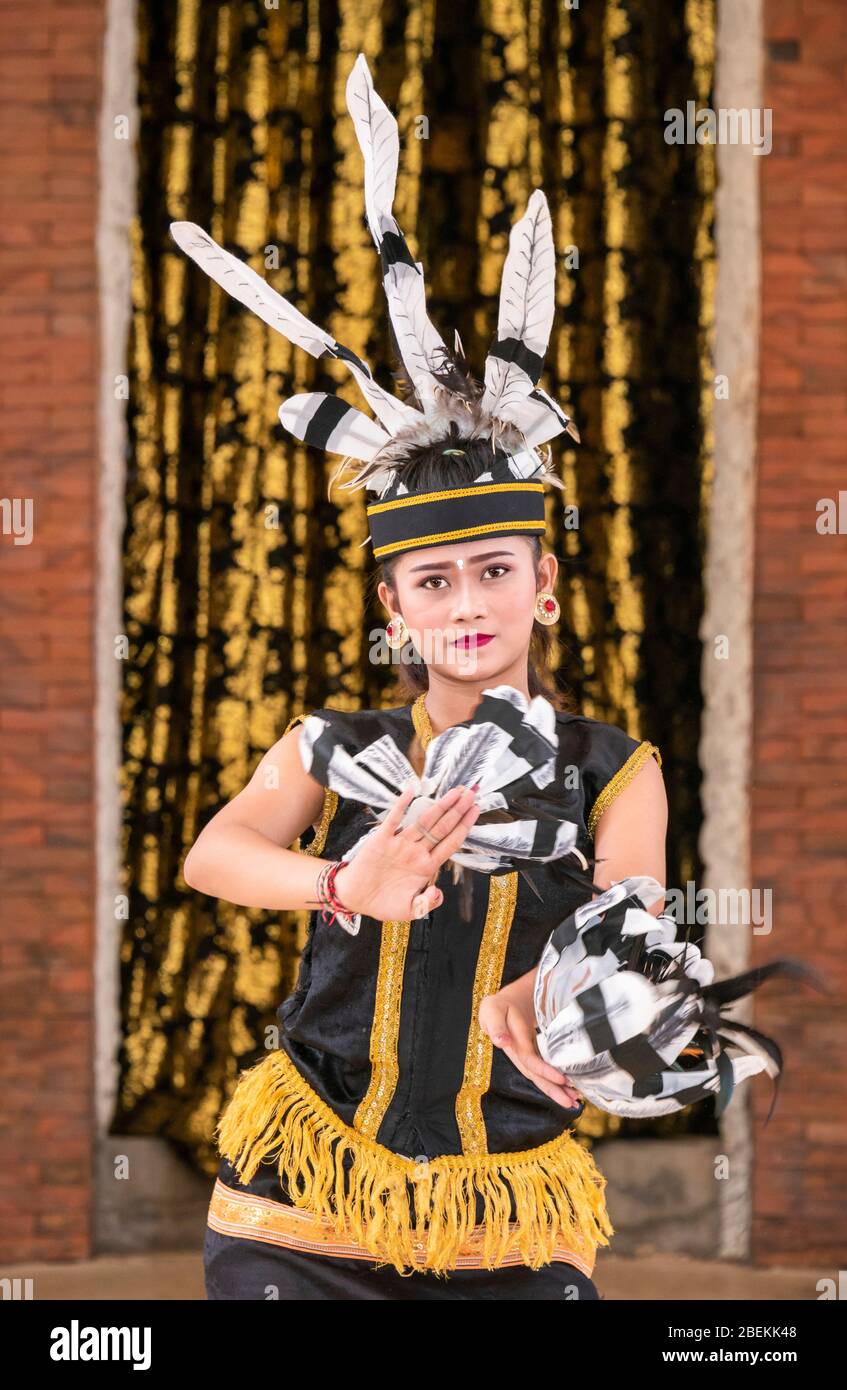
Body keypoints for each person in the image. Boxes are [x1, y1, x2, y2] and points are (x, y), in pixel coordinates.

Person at [175, 54, 667, 1300]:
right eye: (434, 582)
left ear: (542, 587)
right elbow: (215, 857)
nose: (467, 602)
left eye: (493, 571)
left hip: (508, 1202)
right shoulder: (332, 745)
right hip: (307, 1189)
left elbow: (636, 936)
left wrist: (565, 1006)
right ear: (393, 605)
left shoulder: (617, 772)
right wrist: (352, 879)